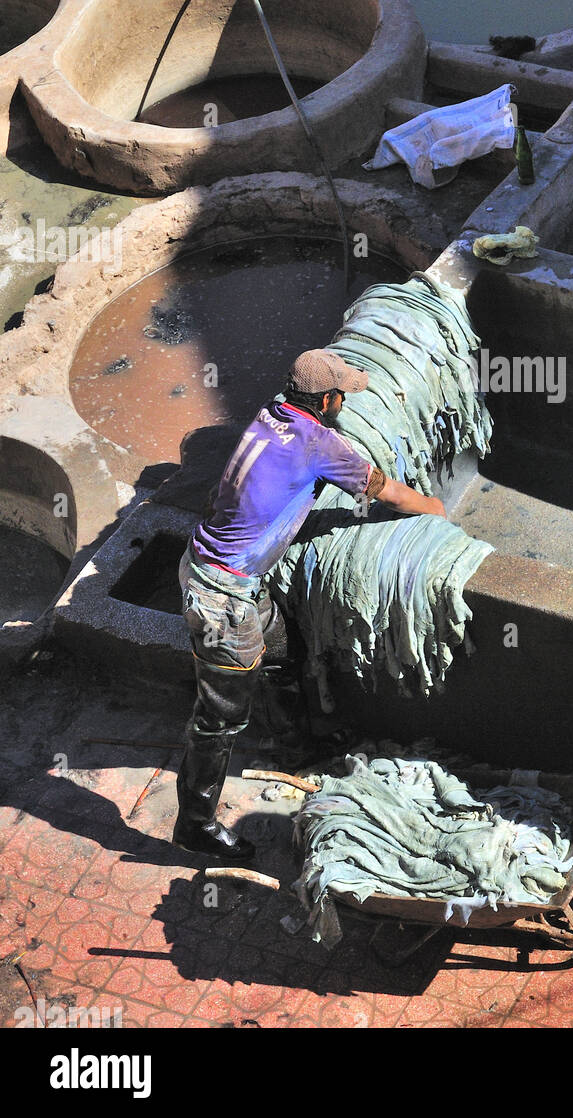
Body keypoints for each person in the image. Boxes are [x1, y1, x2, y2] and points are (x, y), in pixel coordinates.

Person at [174, 348, 446, 861]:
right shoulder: (319, 442)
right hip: (221, 599)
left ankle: (295, 746)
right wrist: (435, 511)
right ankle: (194, 825)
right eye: (342, 394)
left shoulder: (271, 412)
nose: (344, 400)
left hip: (219, 569)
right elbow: (385, 492)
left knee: (281, 655)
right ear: (327, 399)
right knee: (218, 719)